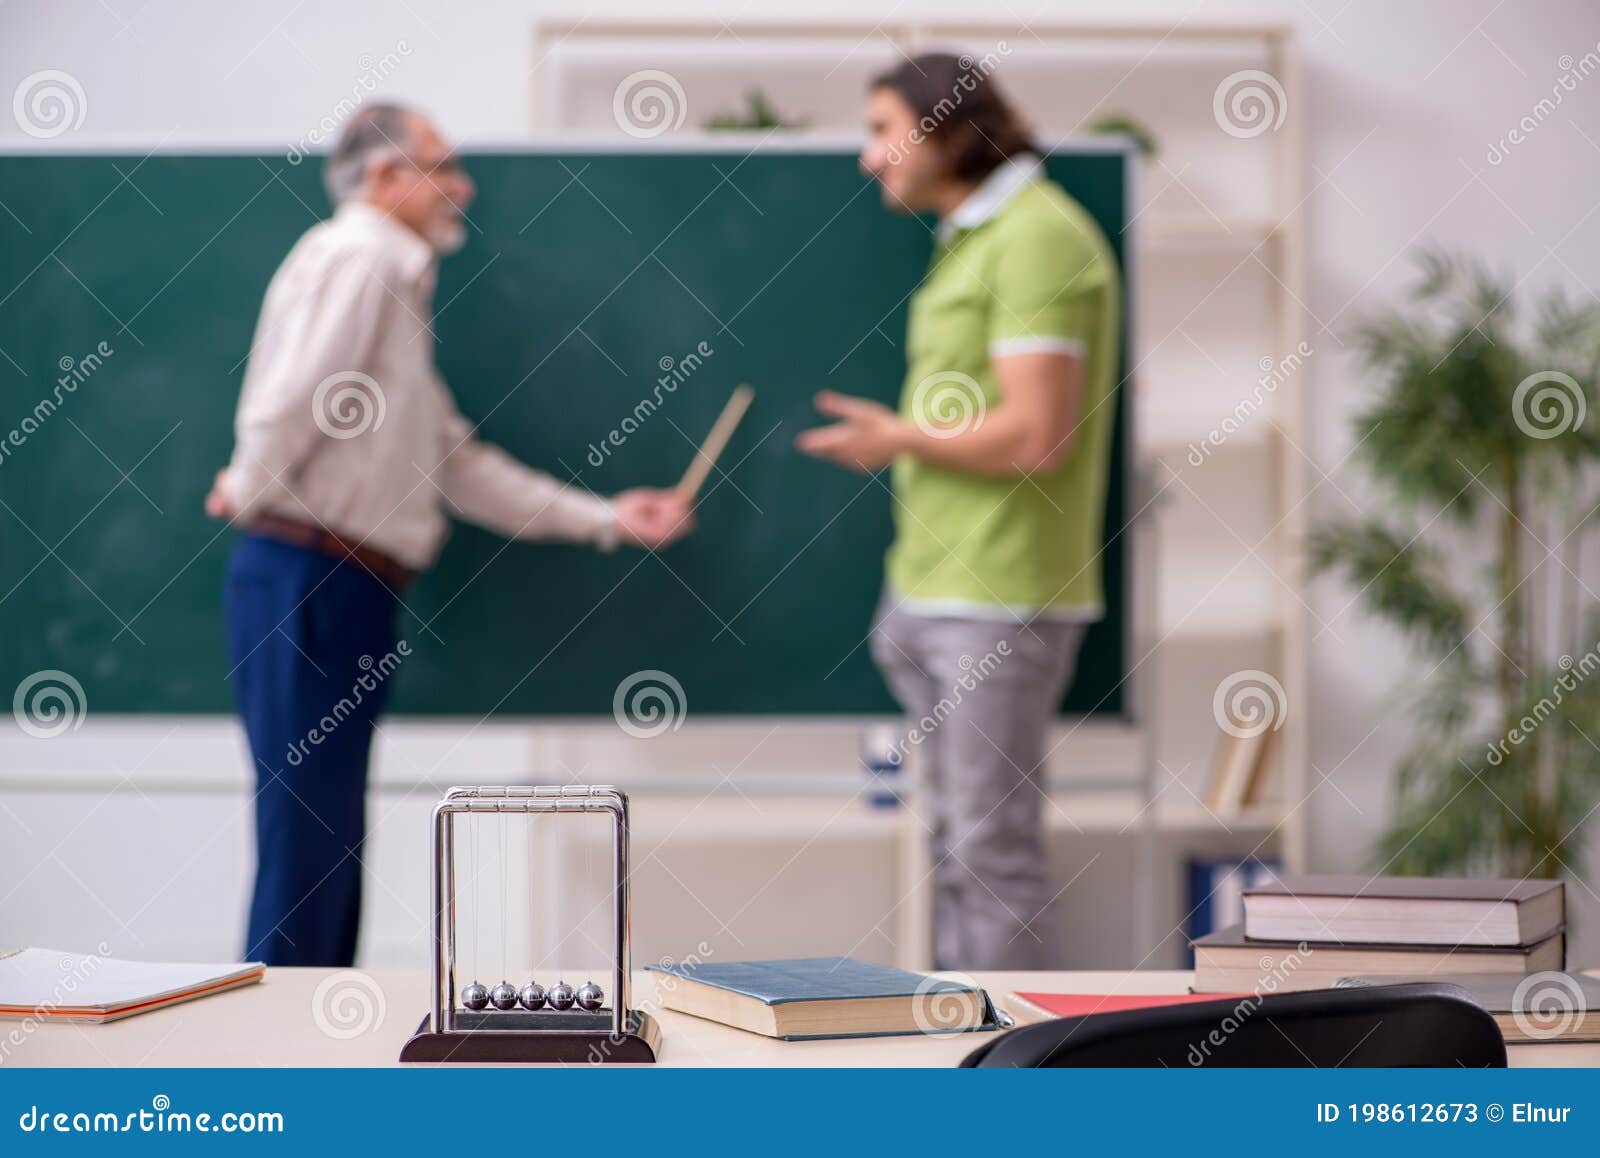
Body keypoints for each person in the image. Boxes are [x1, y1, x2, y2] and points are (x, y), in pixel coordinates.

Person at [206, 104, 693, 967]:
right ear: (385, 179)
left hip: (339, 585)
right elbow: (294, 398)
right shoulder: (368, 257)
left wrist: (609, 519)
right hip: (306, 579)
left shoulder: (394, 279)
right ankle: (277, 1074)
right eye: (442, 165)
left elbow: (455, 463)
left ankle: (305, 1050)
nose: (462, 186)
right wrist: (248, 485)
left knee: (323, 841)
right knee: (307, 842)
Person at [797, 55, 1121, 970]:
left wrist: (897, 437)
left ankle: (1018, 1078)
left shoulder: (1037, 238)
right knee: (953, 850)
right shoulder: (972, 237)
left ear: (945, 131)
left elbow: (1035, 435)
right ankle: (964, 1053)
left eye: (881, 129)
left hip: (999, 593)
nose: (868, 157)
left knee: (989, 854)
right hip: (936, 590)